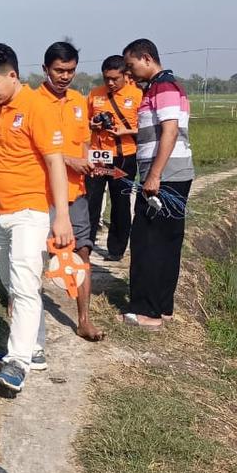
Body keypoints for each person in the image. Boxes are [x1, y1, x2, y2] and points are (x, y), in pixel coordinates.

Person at [0, 43, 74, 394]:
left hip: (31, 212)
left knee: (25, 287)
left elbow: (56, 162)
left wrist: (62, 218)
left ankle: (17, 363)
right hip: (1, 214)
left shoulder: (36, 108)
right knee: (14, 285)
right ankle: (35, 349)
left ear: (12, 75)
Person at [122, 38, 195, 329]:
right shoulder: (167, 85)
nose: (129, 73)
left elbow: (170, 131)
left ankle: (147, 313)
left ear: (146, 58)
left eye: (131, 65)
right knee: (167, 242)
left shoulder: (163, 87)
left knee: (147, 241)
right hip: (176, 174)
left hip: (165, 178)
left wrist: (154, 175)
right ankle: (163, 307)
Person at [36, 41, 104, 341]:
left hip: (76, 191)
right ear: (46, 69)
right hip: (40, 192)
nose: (65, 76)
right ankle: (20, 307)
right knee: (34, 255)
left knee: (83, 251)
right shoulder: (32, 103)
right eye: (59, 70)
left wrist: (88, 162)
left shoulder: (79, 101)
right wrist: (70, 160)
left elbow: (85, 143)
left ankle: (84, 320)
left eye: (71, 71)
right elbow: (36, 150)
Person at [85, 55, 141, 261]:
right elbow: (83, 122)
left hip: (124, 156)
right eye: (106, 78)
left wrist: (125, 131)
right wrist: (92, 125)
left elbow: (148, 129)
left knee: (120, 203)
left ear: (125, 75)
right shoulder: (95, 94)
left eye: (115, 79)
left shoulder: (137, 95)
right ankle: (85, 246)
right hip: (97, 156)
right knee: (91, 201)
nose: (110, 83)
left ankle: (116, 249)